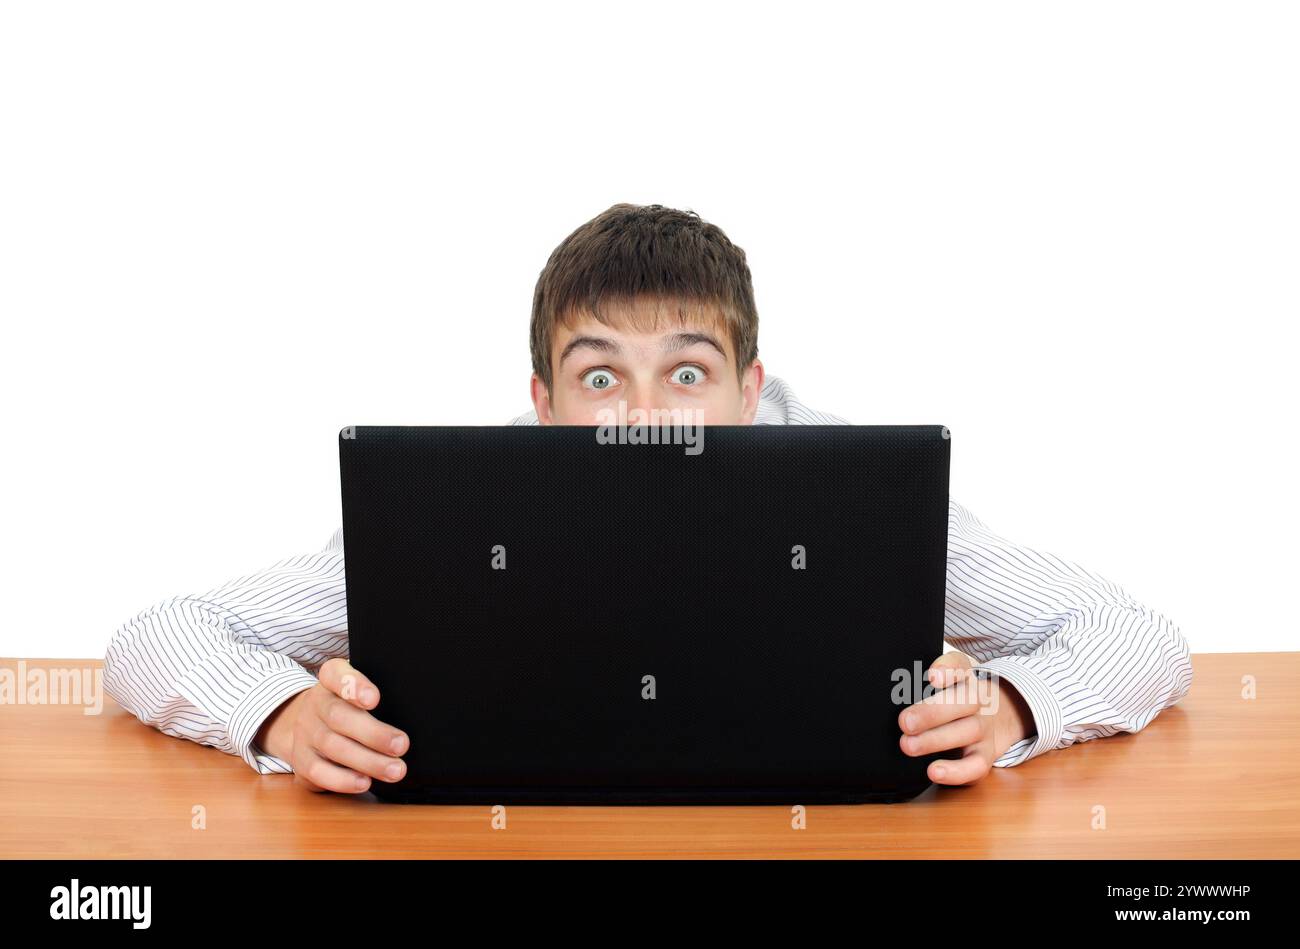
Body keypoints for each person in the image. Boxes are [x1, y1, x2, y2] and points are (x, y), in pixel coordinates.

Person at [104, 203, 1192, 794]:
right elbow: (161, 634)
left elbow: (1136, 636)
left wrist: (1007, 709)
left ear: (748, 388)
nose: (641, 413)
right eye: (596, 377)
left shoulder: (852, 491)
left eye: (683, 372)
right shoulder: (474, 500)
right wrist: (283, 716)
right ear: (540, 400)